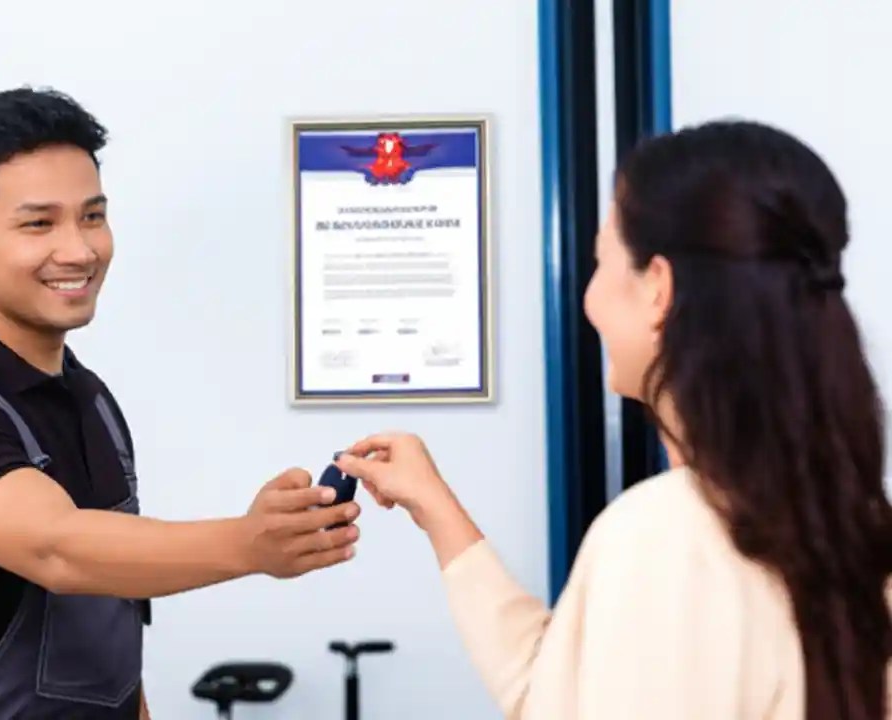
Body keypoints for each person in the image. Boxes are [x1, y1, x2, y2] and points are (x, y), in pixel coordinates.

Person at [335, 120, 892, 719]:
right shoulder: (850, 521)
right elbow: (553, 692)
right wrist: (435, 508)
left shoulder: (667, 537)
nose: (590, 298)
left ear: (658, 288)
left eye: (601, 261)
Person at [0, 87, 361, 720]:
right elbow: (59, 549)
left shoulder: (90, 398)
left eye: (92, 216)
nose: (79, 249)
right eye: (38, 223)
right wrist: (250, 545)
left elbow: (107, 612)